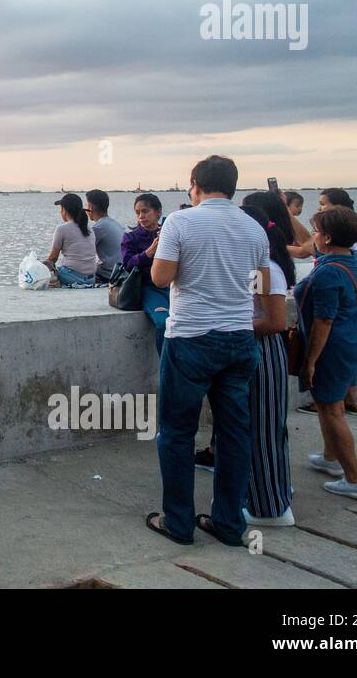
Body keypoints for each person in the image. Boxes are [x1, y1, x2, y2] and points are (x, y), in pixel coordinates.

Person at [145, 156, 269, 547]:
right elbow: (260, 287)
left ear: (194, 183)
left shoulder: (181, 222)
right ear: (233, 185)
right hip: (239, 339)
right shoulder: (254, 229)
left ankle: (178, 523)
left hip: (191, 338)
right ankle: (229, 524)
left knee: (177, 431)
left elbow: (160, 277)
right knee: (235, 434)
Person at [211, 193, 297, 526]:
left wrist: (230, 323)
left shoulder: (269, 269)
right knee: (265, 427)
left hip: (263, 351)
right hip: (255, 349)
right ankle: (274, 494)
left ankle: (269, 509)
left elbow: (275, 321)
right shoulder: (263, 265)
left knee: (262, 429)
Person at [294, 206, 357, 500]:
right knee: (329, 400)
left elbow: (323, 321)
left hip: (332, 345)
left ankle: (355, 479)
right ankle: (329, 457)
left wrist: (311, 361)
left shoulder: (327, 273)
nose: (312, 235)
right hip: (352, 337)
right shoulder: (353, 260)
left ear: (326, 238)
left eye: (316, 231)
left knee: (331, 408)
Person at [120, 193, 169, 354]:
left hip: (175, 286)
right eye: (138, 212)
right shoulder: (131, 237)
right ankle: (166, 369)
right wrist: (148, 253)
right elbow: (127, 264)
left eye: (145, 211)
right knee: (163, 323)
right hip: (149, 287)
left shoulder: (170, 232)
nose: (141, 216)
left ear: (158, 212)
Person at [46, 193, 100, 287]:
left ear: (64, 210)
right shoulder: (89, 229)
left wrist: (41, 266)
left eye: (60, 208)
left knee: (48, 270)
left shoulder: (61, 229)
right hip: (91, 279)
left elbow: (53, 258)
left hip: (71, 277)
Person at [85, 189, 124, 282]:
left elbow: (83, 253)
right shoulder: (114, 223)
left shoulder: (99, 227)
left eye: (86, 205)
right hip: (121, 270)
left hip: (110, 273)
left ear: (90, 206)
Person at [284, 191, 313, 256]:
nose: (300, 209)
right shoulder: (285, 221)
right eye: (297, 206)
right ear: (286, 206)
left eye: (301, 206)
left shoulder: (293, 222)